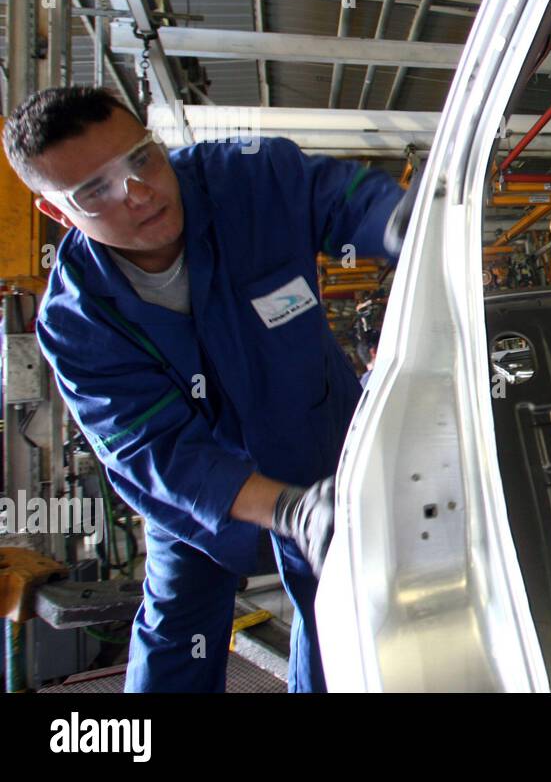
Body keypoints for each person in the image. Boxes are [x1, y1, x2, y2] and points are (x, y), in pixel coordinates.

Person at [3, 86, 407, 692]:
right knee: (179, 633)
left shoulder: (251, 179)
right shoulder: (76, 324)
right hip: (197, 502)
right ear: (59, 214)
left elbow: (346, 201)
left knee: (337, 613)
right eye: (95, 191)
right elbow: (161, 453)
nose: (138, 193)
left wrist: (410, 223)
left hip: (316, 448)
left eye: (140, 158)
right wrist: (286, 509)